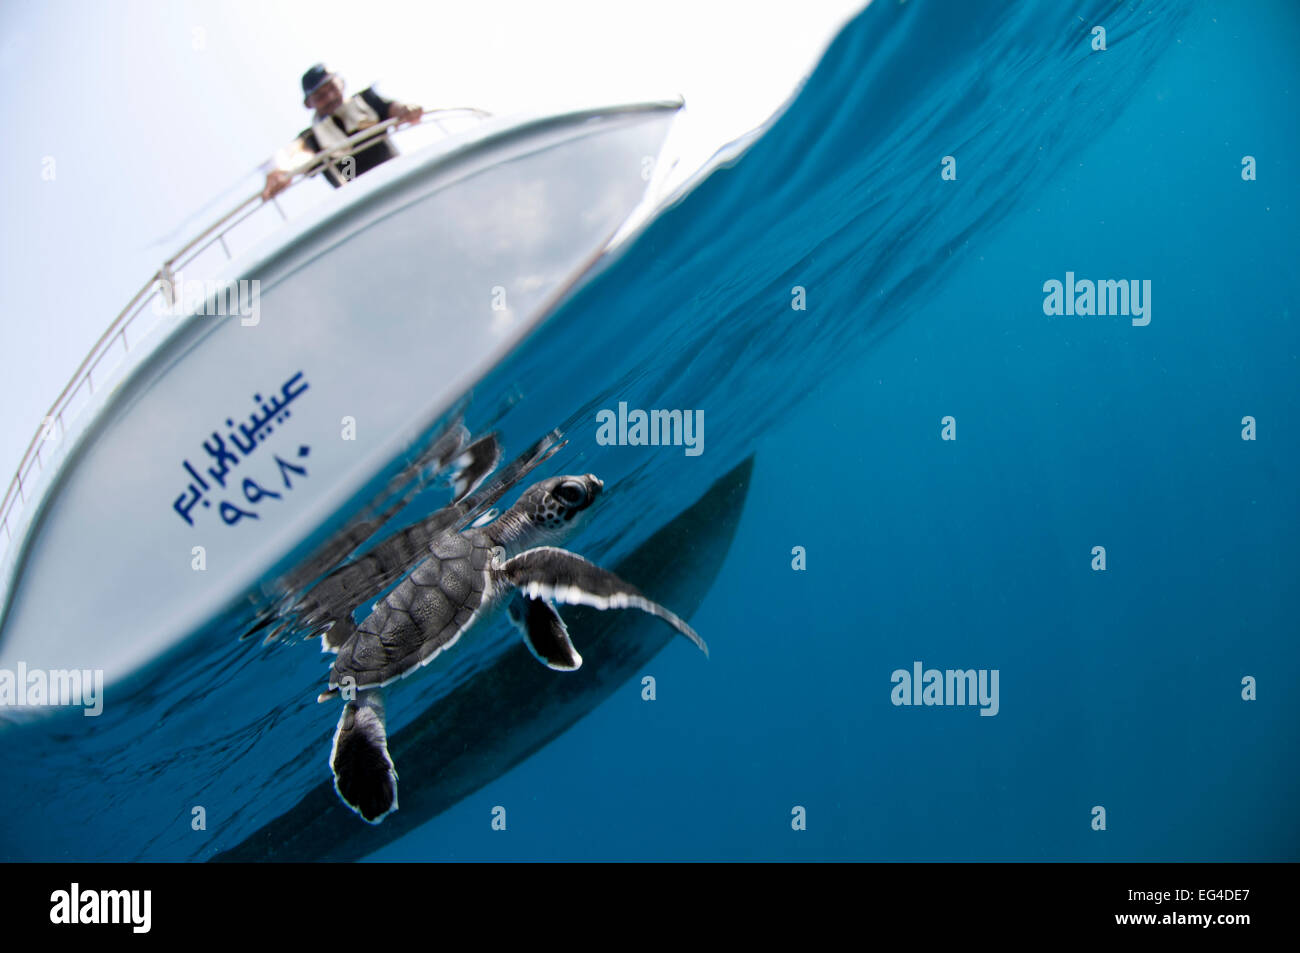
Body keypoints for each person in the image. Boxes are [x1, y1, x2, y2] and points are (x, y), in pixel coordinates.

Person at [262, 64, 423, 200]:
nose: (331, 97)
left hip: (402, 178)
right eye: (321, 96)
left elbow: (393, 108)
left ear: (341, 83)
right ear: (309, 103)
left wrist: (406, 111)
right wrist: (280, 171)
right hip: (361, 202)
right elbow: (296, 153)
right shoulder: (313, 137)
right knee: (347, 167)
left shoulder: (366, 100)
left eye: (332, 88)